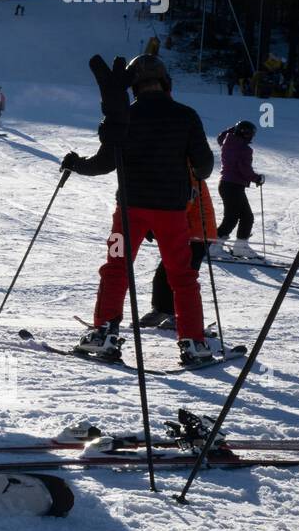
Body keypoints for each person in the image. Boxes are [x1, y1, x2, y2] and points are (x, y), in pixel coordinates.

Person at [60, 54, 217, 366]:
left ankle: (104, 333)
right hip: (172, 212)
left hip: (129, 212)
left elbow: (104, 164)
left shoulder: (124, 116)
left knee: (116, 267)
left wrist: (75, 163)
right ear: (164, 81)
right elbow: (205, 167)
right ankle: (193, 342)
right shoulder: (186, 116)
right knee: (182, 275)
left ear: (132, 86)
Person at [141, 172, 216, 330]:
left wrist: (156, 224)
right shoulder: (177, 168)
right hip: (184, 232)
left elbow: (181, 204)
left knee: (184, 277)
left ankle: (184, 317)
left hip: (198, 234)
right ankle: (163, 310)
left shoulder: (187, 171)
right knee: (163, 275)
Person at [214, 120, 264, 260]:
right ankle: (214, 247)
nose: (252, 137)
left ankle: (239, 247)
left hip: (226, 185)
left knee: (243, 216)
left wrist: (235, 127)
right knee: (234, 217)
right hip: (233, 186)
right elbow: (245, 170)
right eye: (251, 134)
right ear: (245, 134)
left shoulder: (227, 141)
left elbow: (221, 136)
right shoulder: (244, 149)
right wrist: (257, 179)